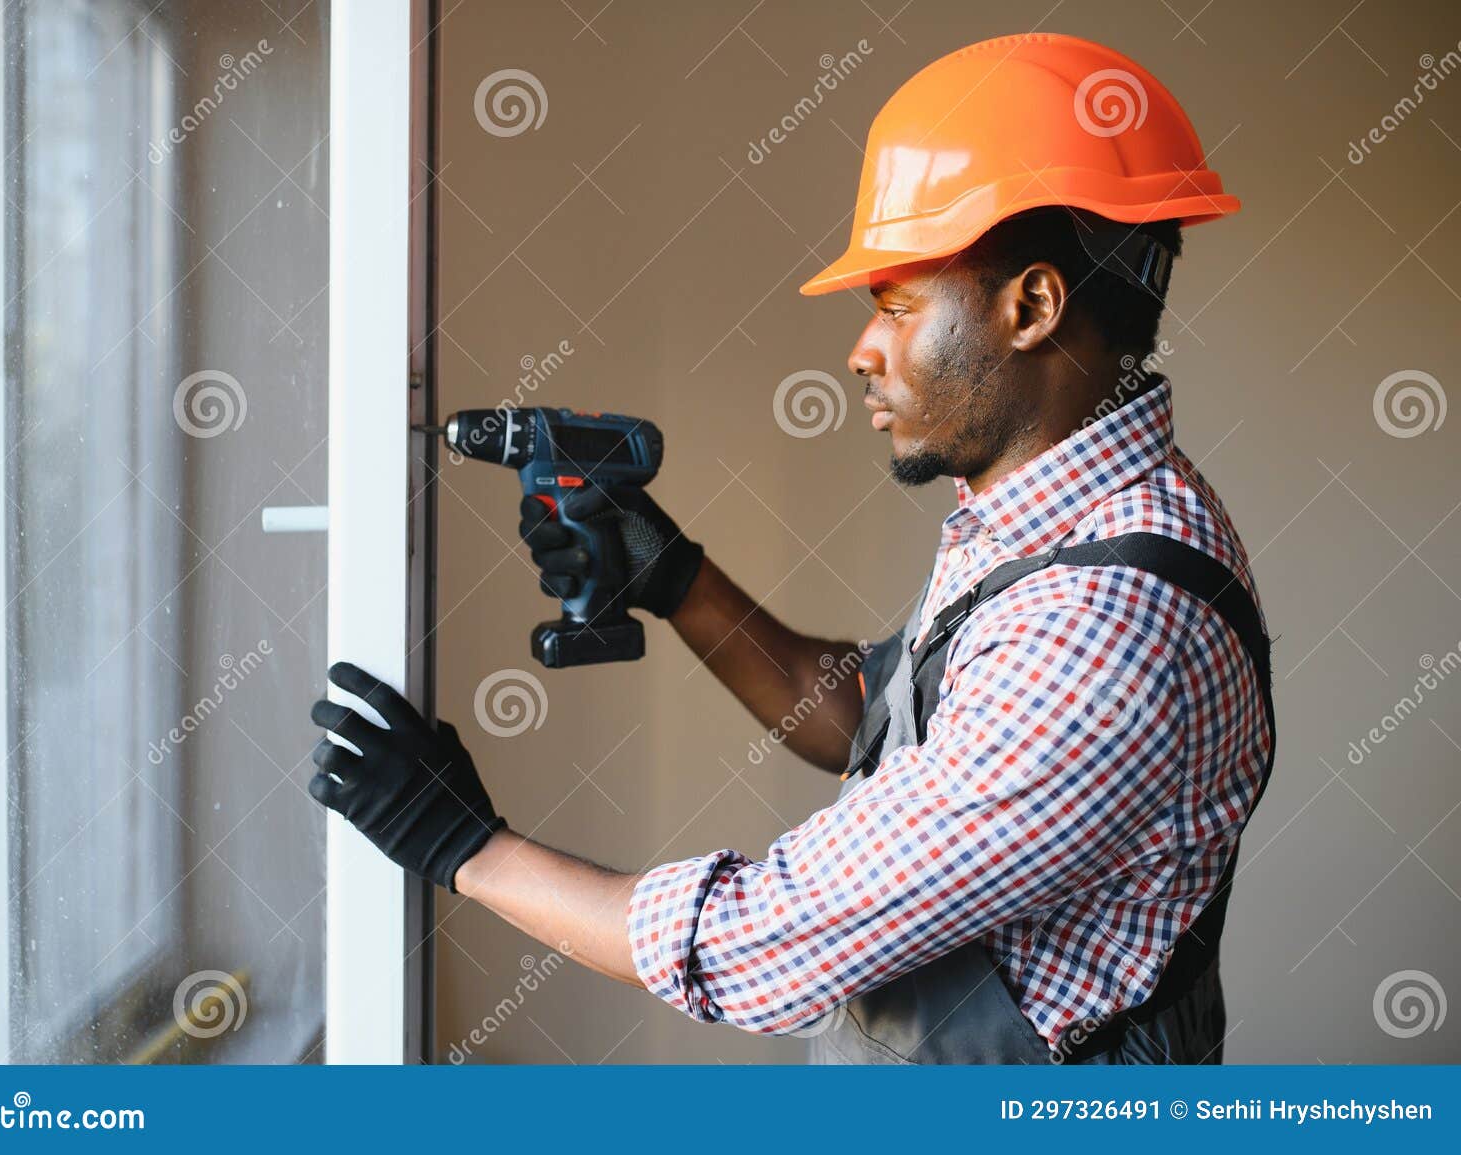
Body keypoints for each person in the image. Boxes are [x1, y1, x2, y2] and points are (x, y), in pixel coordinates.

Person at [306, 32, 1273, 1064]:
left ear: (1030, 306)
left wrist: (465, 849)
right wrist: (675, 579)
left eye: (897, 305)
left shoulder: (1101, 632)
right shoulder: (1057, 524)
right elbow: (867, 722)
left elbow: (766, 947)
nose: (862, 350)